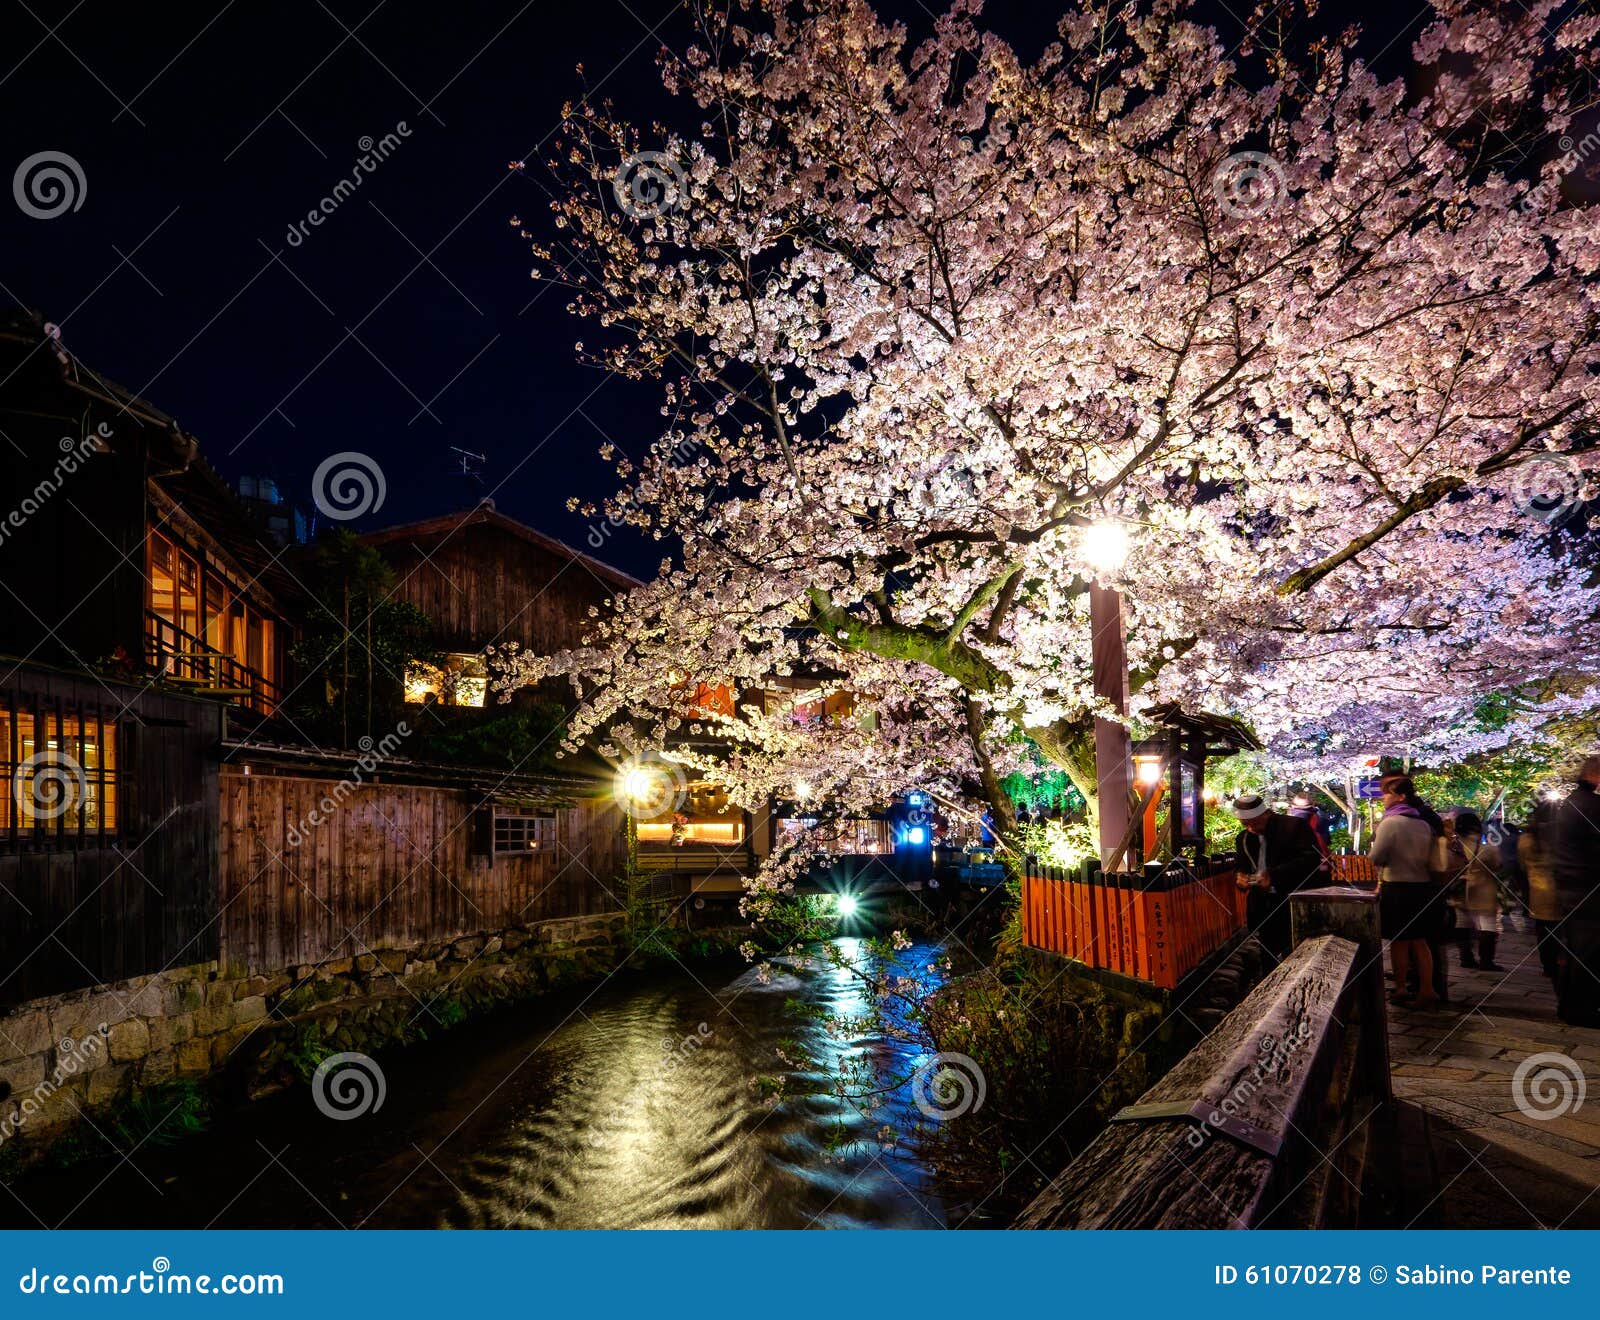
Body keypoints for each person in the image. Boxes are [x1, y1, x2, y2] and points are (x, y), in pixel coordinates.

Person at [1371, 777, 1443, 1008]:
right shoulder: (1423, 823)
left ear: (1401, 796)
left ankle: (1401, 988)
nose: (1384, 798)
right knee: (1420, 941)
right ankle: (1427, 989)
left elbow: (1376, 857)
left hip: (1398, 888)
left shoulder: (1391, 823)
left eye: (1387, 794)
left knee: (1399, 941)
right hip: (1422, 887)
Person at [1231, 793, 1326, 958]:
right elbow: (1241, 867)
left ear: (1266, 813)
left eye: (1255, 822)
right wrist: (1241, 878)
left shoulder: (1294, 827)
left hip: (1293, 905)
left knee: (1298, 957)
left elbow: (1311, 860)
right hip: (1263, 908)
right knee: (1268, 959)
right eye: (1245, 824)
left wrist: (1274, 875)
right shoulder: (1243, 838)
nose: (1251, 828)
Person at [1550, 756, 1600, 1025]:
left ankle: (1571, 1005)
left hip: (1573, 887)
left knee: (1578, 950)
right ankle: (1581, 1009)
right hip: (1587, 890)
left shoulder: (1573, 802)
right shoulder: (1591, 806)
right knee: (1588, 952)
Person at [1441, 810, 1504, 971]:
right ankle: (1486, 961)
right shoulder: (1488, 849)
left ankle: (1466, 957)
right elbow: (1497, 866)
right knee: (1487, 925)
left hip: (1460, 892)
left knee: (1462, 923)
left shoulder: (1453, 849)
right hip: (1483, 892)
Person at [1521, 799, 1563, 980]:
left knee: (1543, 931)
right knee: (1560, 930)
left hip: (1537, 892)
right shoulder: (1559, 837)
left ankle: (1548, 966)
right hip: (1559, 891)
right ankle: (1562, 962)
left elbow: (1522, 865)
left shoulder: (1525, 840)